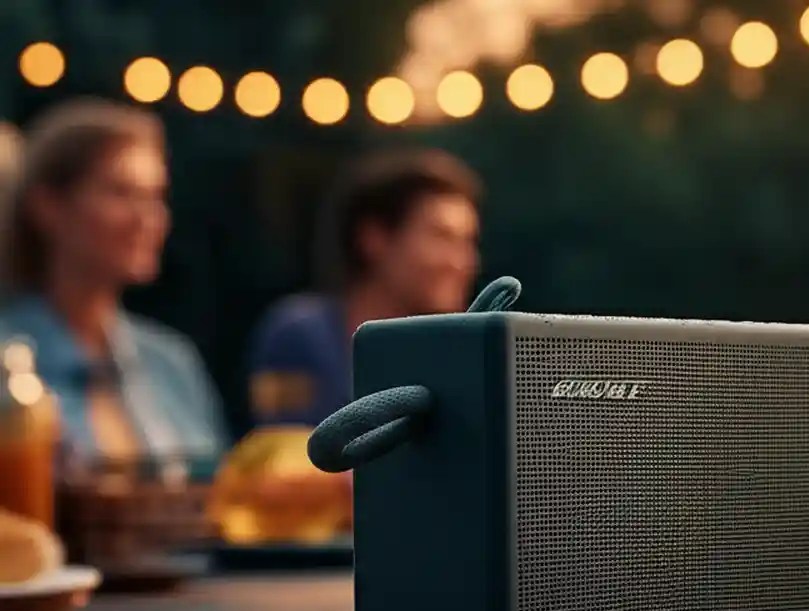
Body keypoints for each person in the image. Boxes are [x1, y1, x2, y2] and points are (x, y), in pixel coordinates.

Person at [0, 99, 226, 472]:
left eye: (155, 197)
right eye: (121, 193)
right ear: (47, 206)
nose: (147, 218)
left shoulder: (171, 361)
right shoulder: (8, 362)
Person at [248, 150, 481, 428]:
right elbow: (282, 453)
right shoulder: (298, 334)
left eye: (468, 242)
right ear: (374, 239)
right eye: (442, 237)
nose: (464, 262)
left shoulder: (455, 357)